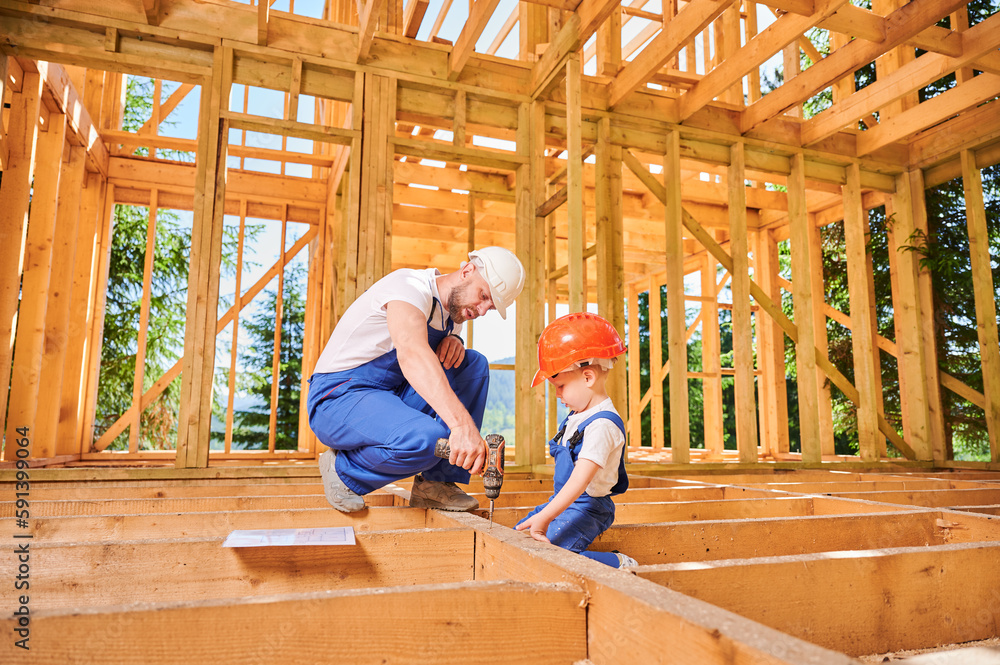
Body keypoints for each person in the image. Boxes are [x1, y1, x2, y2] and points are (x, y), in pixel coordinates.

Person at [307, 247, 525, 513]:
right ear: (467, 271)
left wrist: (455, 339)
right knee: (426, 439)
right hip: (338, 398)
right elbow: (412, 352)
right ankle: (344, 471)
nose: (481, 310)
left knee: (472, 364)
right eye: (483, 297)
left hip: (386, 396)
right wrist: (462, 427)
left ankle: (436, 484)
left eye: (489, 307)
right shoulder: (408, 287)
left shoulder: (452, 314)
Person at [515, 312, 638, 569]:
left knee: (550, 557)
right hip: (564, 501)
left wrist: (546, 516)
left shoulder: (602, 425)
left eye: (560, 386)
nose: (558, 395)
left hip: (589, 507)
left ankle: (618, 564)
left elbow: (579, 481)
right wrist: (545, 515)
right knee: (521, 538)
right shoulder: (577, 416)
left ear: (587, 377)